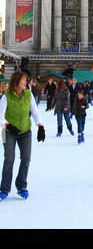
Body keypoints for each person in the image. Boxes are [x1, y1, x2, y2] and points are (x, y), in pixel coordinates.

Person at [0, 72, 45, 201]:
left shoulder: (28, 94)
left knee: (26, 159)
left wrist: (40, 126)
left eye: (26, 80)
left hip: (25, 131)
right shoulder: (6, 96)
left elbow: (35, 111)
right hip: (7, 131)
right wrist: (7, 125)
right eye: (23, 80)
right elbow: (0, 115)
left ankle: (21, 186)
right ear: (16, 82)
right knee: (9, 159)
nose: (26, 82)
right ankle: (4, 188)